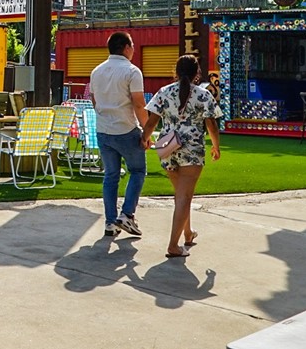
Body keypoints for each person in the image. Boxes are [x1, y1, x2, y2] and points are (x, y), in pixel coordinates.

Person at [143, 54, 222, 259]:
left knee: (181, 194)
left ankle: (188, 233)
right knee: (184, 196)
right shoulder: (203, 95)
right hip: (192, 148)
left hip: (167, 146)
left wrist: (144, 139)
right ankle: (172, 245)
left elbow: (152, 121)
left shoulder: (164, 92)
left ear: (176, 72)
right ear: (197, 73)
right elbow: (211, 124)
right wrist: (216, 147)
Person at [89, 31, 150, 238]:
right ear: (126, 47)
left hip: (103, 130)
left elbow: (94, 99)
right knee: (138, 171)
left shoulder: (96, 71)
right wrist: (147, 131)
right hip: (126, 129)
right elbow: (139, 104)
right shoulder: (132, 72)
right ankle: (127, 214)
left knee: (111, 176)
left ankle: (110, 222)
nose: (133, 49)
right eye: (132, 45)